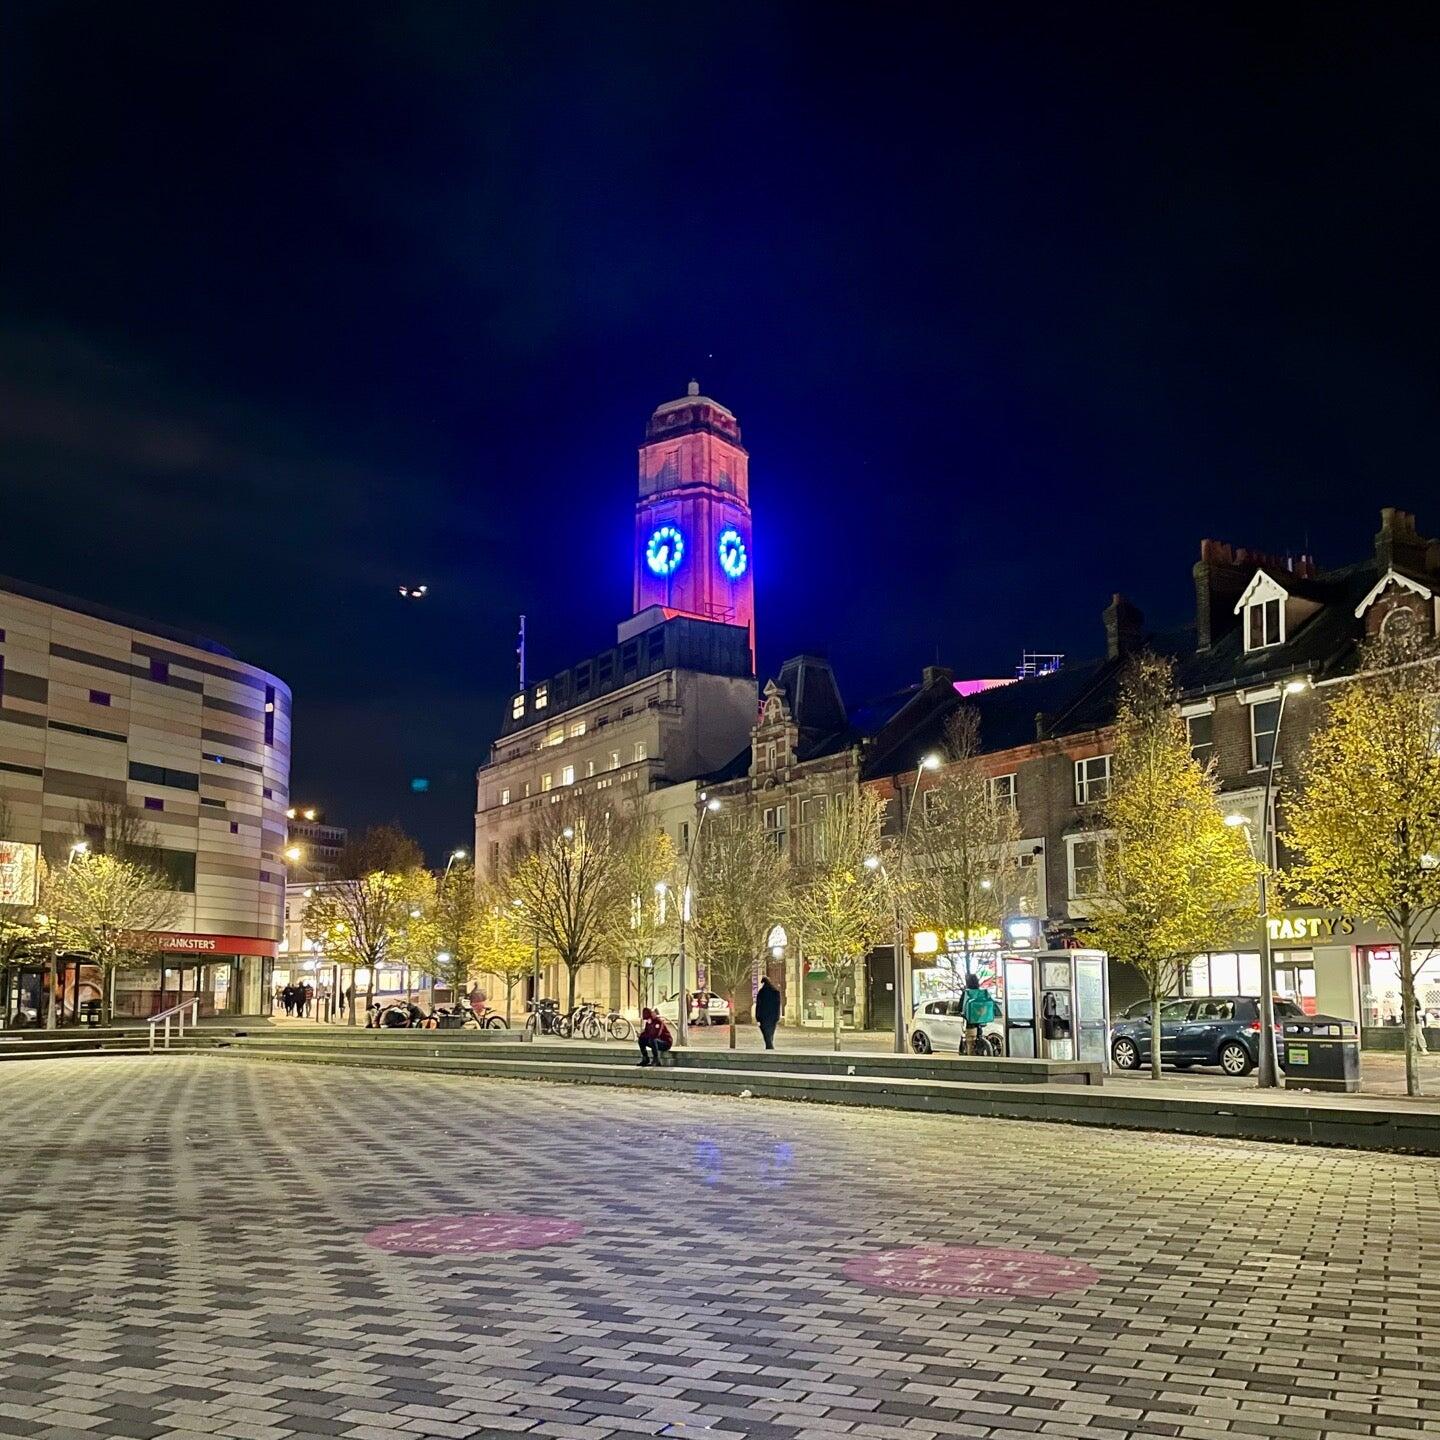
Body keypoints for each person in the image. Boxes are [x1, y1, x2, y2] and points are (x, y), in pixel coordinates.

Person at [961, 972, 997, 1056]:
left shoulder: (967, 993)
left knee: (970, 1043)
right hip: (982, 1020)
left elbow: (960, 1007)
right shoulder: (983, 992)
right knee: (979, 1035)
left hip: (970, 1023)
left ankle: (971, 1060)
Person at [755, 976, 781, 1050]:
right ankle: (769, 1045)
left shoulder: (761, 992)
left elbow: (758, 1006)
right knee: (771, 1032)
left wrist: (757, 1017)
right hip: (773, 1016)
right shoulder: (775, 992)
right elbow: (777, 1005)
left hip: (763, 1016)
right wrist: (777, 1016)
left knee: (766, 1032)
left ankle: (769, 1046)